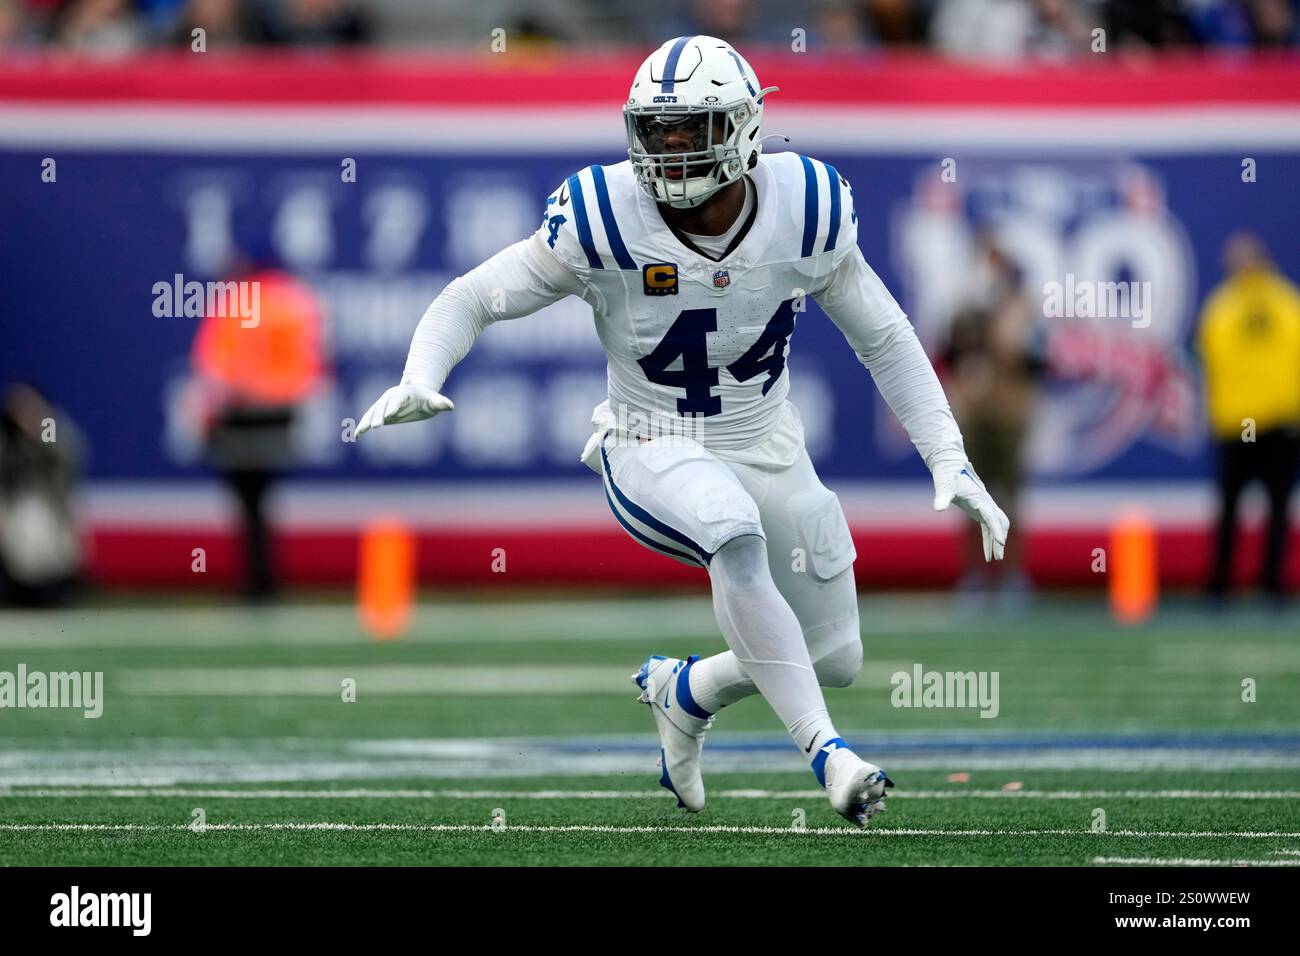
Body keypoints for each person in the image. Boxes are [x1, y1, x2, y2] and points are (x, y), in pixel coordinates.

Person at [356, 37, 1009, 827]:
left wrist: (948, 453)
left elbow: (885, 336)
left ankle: (684, 691)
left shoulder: (806, 207)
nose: (666, 148)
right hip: (648, 435)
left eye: (688, 128)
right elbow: (475, 296)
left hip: (767, 439)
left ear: (741, 128)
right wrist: (422, 373)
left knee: (835, 657)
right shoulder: (603, 215)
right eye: (654, 129)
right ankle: (829, 756)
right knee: (732, 533)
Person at [189, 251, 329, 600]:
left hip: (241, 414)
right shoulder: (295, 300)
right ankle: (266, 578)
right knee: (261, 500)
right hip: (281, 412)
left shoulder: (237, 301)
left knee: (248, 501)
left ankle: (257, 581)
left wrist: (208, 412)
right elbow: (311, 362)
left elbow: (215, 366)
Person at [940, 236, 1043, 608]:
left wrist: (1011, 350)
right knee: (971, 497)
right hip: (975, 412)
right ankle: (975, 576)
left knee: (1010, 497)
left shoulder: (1021, 309)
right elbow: (946, 355)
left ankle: (1013, 577)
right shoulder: (965, 310)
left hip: (1010, 414)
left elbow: (1040, 361)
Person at [1198, 232, 1300, 604]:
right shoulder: (1288, 303)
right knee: (1276, 508)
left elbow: (1207, 359)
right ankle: (1272, 583)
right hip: (1279, 422)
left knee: (1230, 508)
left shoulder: (1222, 306)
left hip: (1238, 423)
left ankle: (1220, 585)